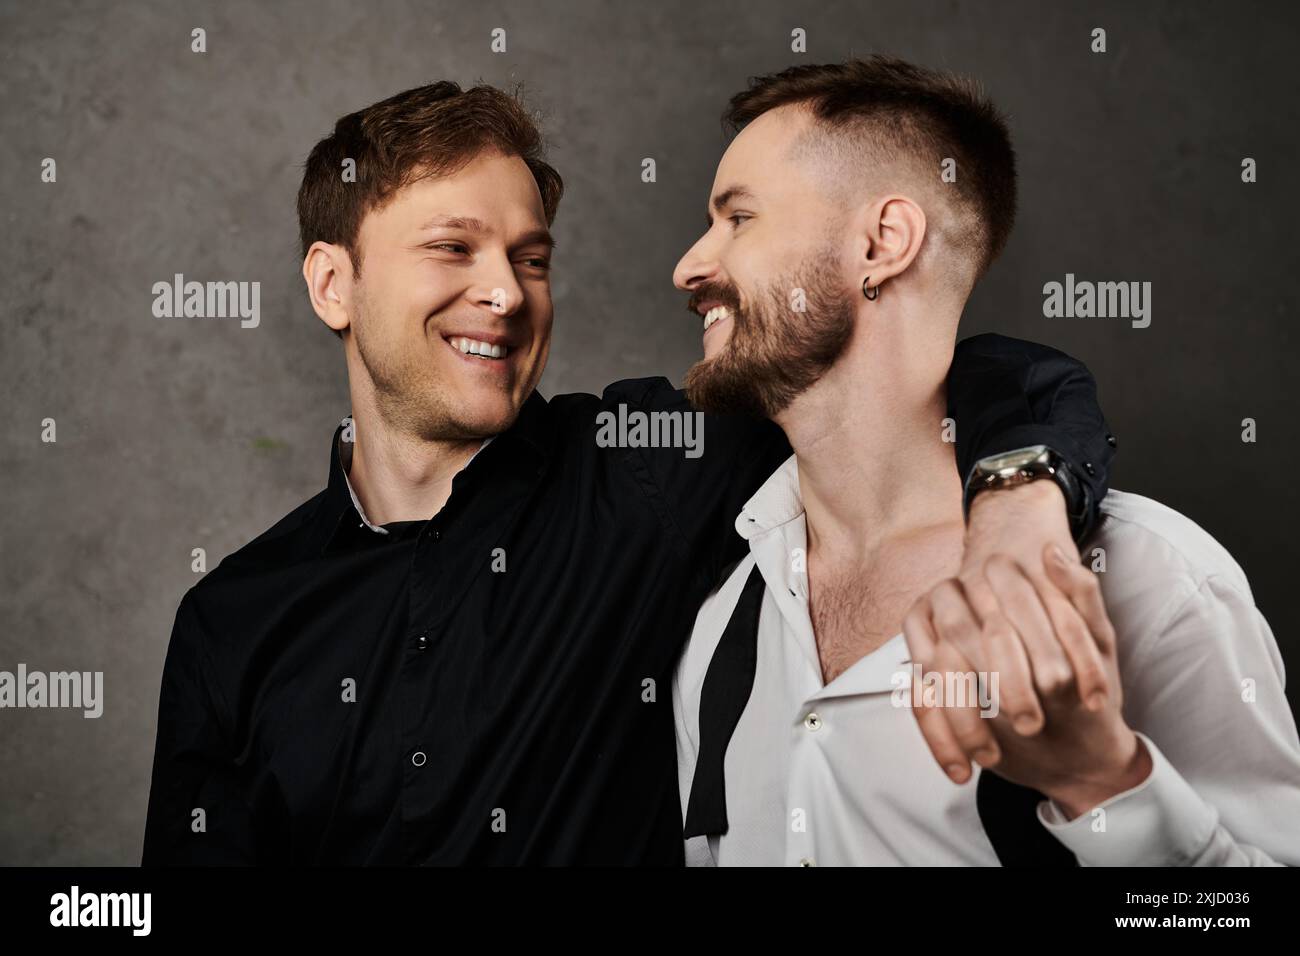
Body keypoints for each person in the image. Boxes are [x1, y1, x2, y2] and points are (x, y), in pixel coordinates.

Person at [143, 79, 1114, 865]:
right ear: (332, 283)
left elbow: (960, 375)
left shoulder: (644, 466)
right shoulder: (233, 618)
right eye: (452, 248)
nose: (503, 294)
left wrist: (1018, 499)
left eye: (531, 260)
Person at [672, 56, 1300, 866]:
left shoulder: (1149, 580)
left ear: (882, 242)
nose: (689, 264)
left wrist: (1104, 784)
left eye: (738, 218)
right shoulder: (724, 624)